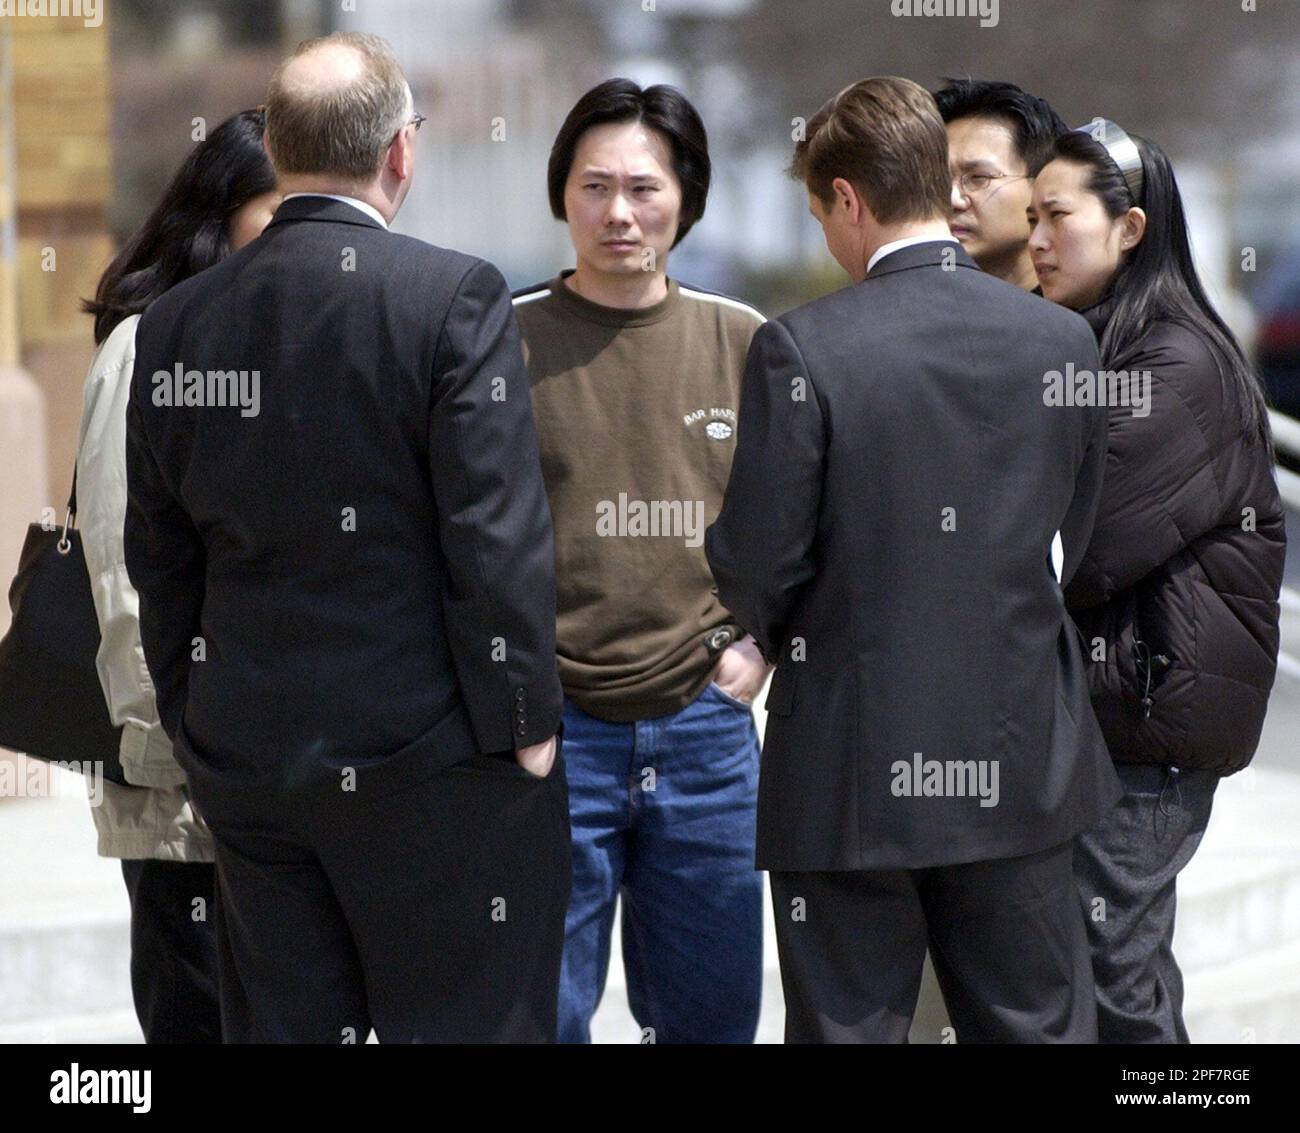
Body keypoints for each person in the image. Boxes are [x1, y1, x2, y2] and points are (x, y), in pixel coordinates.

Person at [123, 31, 569, 1042]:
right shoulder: (454, 298)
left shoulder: (178, 322)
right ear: (401, 152)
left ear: (276, 148)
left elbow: (160, 548)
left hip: (251, 758)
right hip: (436, 759)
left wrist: (197, 717)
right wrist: (526, 721)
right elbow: (492, 533)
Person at [705, 76, 1122, 1043]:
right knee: (1039, 1026)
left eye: (821, 213)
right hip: (1024, 753)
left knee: (849, 1028)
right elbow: (1074, 530)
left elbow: (758, 559)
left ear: (848, 198)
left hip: (850, 768)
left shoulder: (801, 348)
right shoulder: (1062, 339)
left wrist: (759, 625)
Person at [511, 78, 769, 1044]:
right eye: (594, 186)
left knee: (710, 1016)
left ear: (686, 199)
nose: (618, 212)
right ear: (561, 195)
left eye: (644, 188)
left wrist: (761, 647)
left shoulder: (743, 341)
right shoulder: (501, 340)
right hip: (551, 731)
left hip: (705, 729)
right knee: (543, 1014)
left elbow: (797, 520)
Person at [1030, 121, 1286, 1042]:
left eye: (1056, 216)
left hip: (1142, 730)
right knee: (1110, 974)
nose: (1036, 240)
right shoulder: (1107, 346)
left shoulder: (1175, 368)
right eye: (1030, 217)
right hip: (1114, 720)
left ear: (1130, 228)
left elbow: (1078, 543)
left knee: (1114, 982)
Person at [75, 107, 279, 1044]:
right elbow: (123, 569)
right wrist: (169, 759)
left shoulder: (277, 338)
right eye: (283, 206)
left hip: (270, 780)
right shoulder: (146, 344)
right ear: (221, 210)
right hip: (182, 790)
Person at [934, 78, 1067, 292]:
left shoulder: (1092, 321)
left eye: (978, 178)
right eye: (938, 179)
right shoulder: (908, 314)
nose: (951, 199)